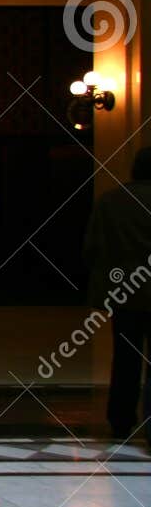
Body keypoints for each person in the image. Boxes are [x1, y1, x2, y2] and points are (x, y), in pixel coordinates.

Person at [84, 146, 151, 446]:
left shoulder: (110, 201)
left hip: (126, 291)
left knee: (125, 357)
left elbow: (93, 247)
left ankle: (121, 420)